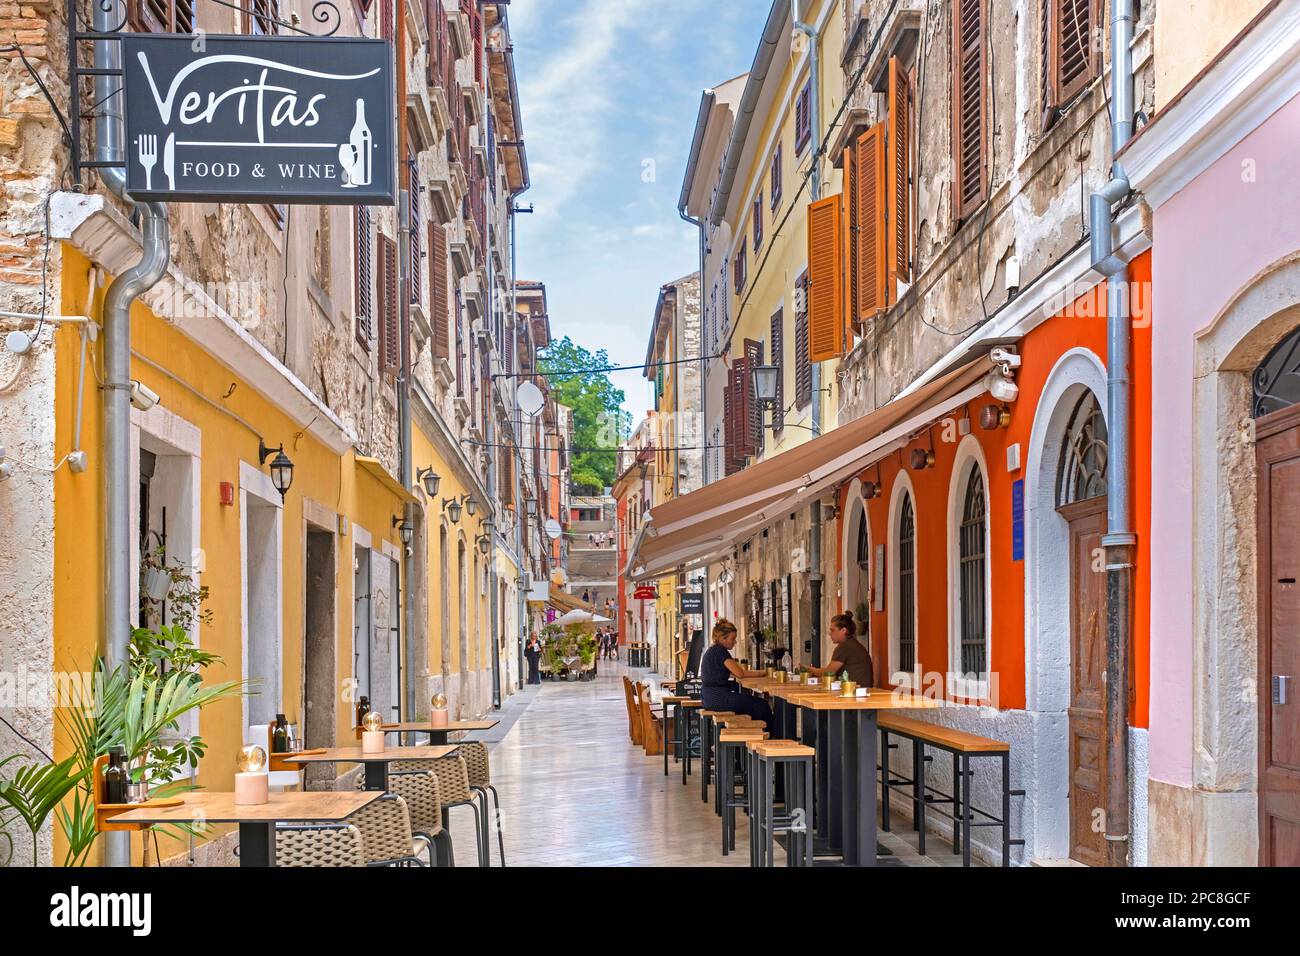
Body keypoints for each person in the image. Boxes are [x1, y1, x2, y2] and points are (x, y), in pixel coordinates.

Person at [700, 619, 773, 724]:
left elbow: (732, 672)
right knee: (761, 705)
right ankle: (768, 736)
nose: (735, 642)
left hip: (709, 698)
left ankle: (758, 733)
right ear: (723, 638)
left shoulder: (713, 651)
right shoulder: (720, 652)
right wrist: (764, 673)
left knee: (754, 704)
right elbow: (740, 673)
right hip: (718, 699)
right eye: (732, 639)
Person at [807, 611, 874, 686]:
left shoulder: (844, 647)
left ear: (843, 630)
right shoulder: (851, 644)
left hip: (855, 692)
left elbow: (828, 673)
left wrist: (810, 670)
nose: (830, 633)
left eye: (832, 630)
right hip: (860, 690)